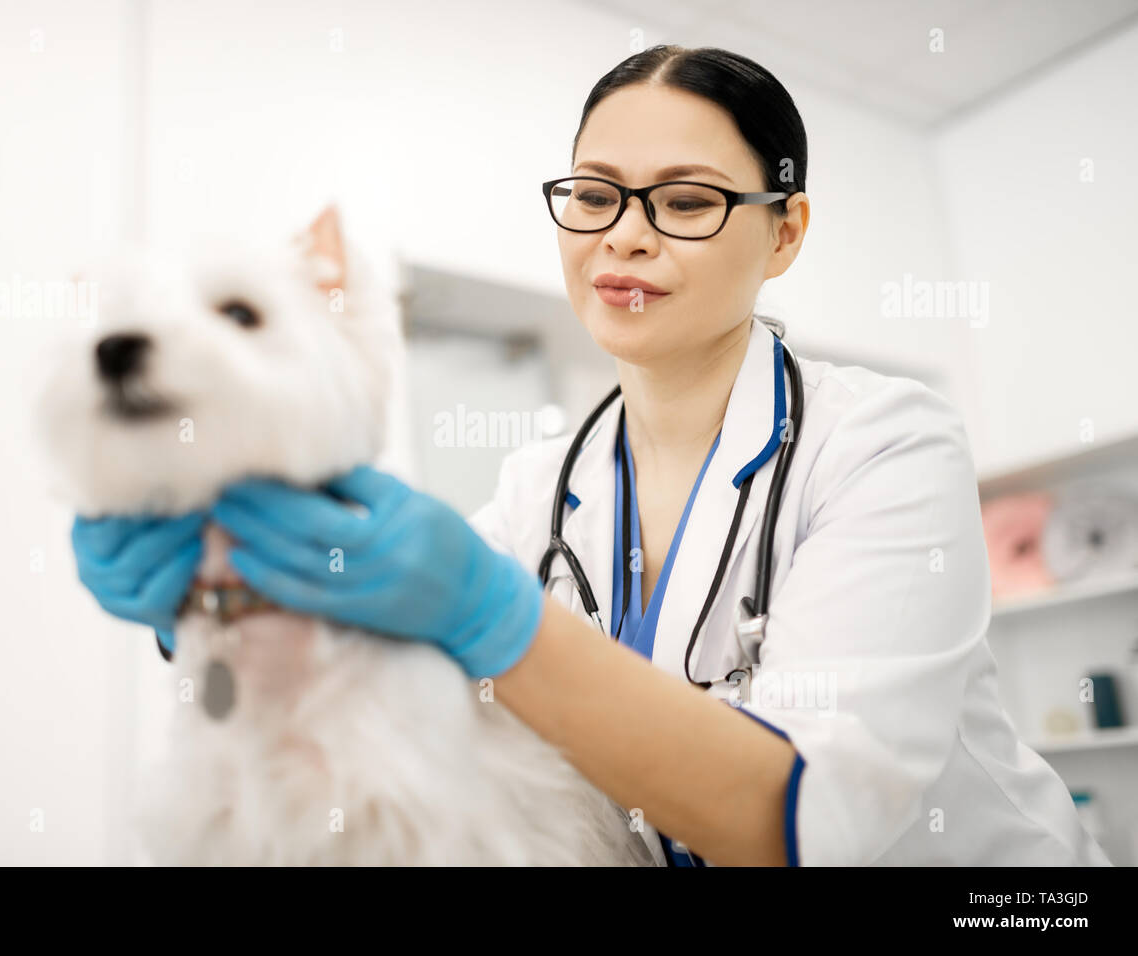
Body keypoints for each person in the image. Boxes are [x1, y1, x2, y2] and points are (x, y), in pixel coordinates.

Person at [71, 45, 1111, 867]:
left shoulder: (888, 444)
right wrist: (216, 585)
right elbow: (388, 664)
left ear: (783, 231)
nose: (624, 236)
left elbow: (800, 820)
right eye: (595, 193)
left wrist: (492, 616)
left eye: (688, 201)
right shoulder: (540, 483)